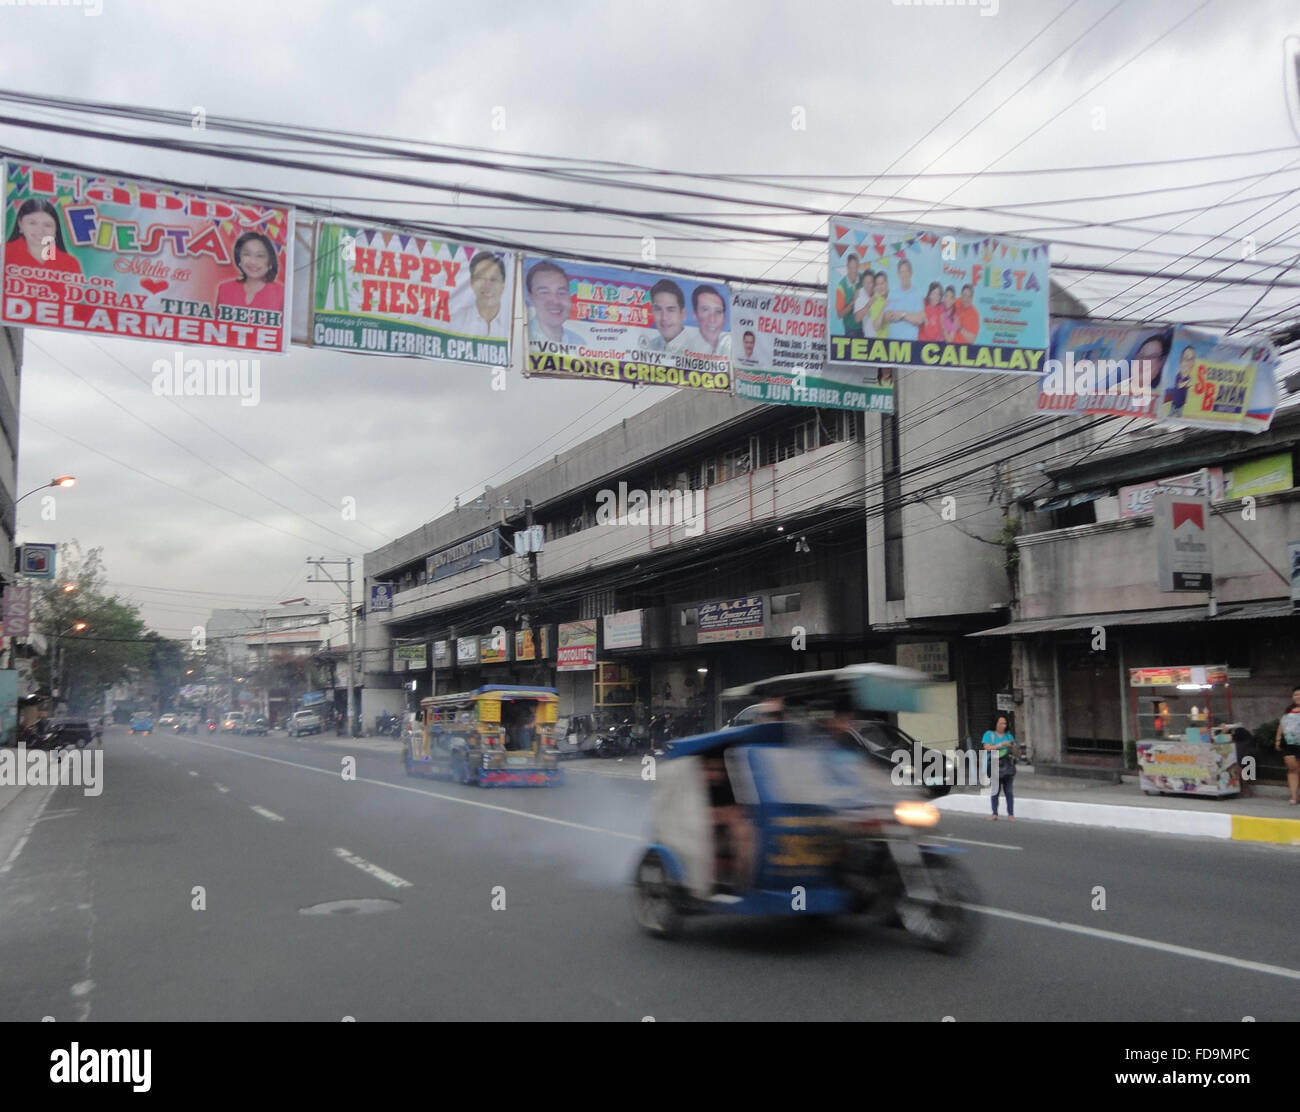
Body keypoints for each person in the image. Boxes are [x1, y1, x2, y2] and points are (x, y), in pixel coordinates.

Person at [4, 198, 82, 275]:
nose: (40, 231)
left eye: (47, 225)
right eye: (32, 223)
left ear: (56, 229)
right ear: (20, 224)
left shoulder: (70, 263)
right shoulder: (5, 252)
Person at [215, 231, 285, 311]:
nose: (253, 262)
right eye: (247, 254)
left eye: (260, 256)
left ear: (270, 261)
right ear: (239, 258)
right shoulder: (224, 289)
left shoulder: (282, 293)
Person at [525, 260, 585, 345]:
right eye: (544, 292)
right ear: (531, 299)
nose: (555, 301)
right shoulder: (521, 337)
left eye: (561, 293)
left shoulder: (579, 343)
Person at [449, 252, 508, 337]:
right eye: (481, 278)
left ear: (503, 285)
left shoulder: (511, 322)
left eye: (493, 279)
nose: (487, 285)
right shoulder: (457, 320)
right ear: (472, 282)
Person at [643, 278, 699, 356]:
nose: (664, 317)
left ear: (683, 314)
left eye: (670, 310)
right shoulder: (650, 346)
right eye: (658, 309)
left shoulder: (698, 350)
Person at [982, 715, 1017, 820]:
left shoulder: (1008, 736)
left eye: (1005, 723)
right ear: (996, 724)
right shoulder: (989, 734)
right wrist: (1001, 745)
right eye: (1001, 723)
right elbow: (987, 748)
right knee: (995, 791)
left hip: (1007, 765)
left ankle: (1010, 814)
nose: (1003, 725)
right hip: (994, 764)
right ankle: (994, 813)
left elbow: (1014, 751)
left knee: (1009, 791)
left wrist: (1012, 746)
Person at [882, 258, 925, 341]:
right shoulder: (892, 293)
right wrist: (910, 317)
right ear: (898, 274)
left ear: (911, 273)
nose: (904, 275)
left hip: (911, 344)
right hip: (893, 343)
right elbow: (887, 316)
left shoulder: (917, 294)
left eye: (906, 272)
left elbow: (919, 319)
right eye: (902, 272)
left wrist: (902, 315)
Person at [1274, 687, 1300, 805]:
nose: (1298, 696)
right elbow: (1282, 725)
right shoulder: (1288, 711)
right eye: (1295, 694)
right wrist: (1278, 740)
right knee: (1292, 769)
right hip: (1289, 744)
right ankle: (1294, 796)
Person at [691, 285, 730, 355]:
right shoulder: (682, 349)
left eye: (718, 311)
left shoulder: (732, 351)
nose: (712, 319)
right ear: (695, 315)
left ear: (724, 319)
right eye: (705, 310)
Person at [1160, 345, 1196, 419]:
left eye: (1191, 359)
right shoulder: (1179, 375)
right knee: (1170, 416)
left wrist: (1190, 383)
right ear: (1181, 362)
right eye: (1186, 358)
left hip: (1182, 403)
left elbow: (1191, 385)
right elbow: (1180, 385)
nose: (1188, 363)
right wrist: (1188, 382)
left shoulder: (1188, 377)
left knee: (1178, 418)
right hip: (1175, 402)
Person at [834, 253, 862, 336]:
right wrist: (853, 302)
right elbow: (839, 315)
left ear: (858, 267)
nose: (854, 271)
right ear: (847, 267)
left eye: (856, 267)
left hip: (865, 326)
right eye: (851, 268)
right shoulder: (841, 287)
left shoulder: (863, 278)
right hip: (851, 329)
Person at [852, 270, 878, 338]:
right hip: (869, 337)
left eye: (870, 282)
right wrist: (869, 304)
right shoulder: (860, 294)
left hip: (884, 336)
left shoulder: (880, 291)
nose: (868, 285)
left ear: (874, 283)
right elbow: (857, 319)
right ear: (863, 283)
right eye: (866, 283)